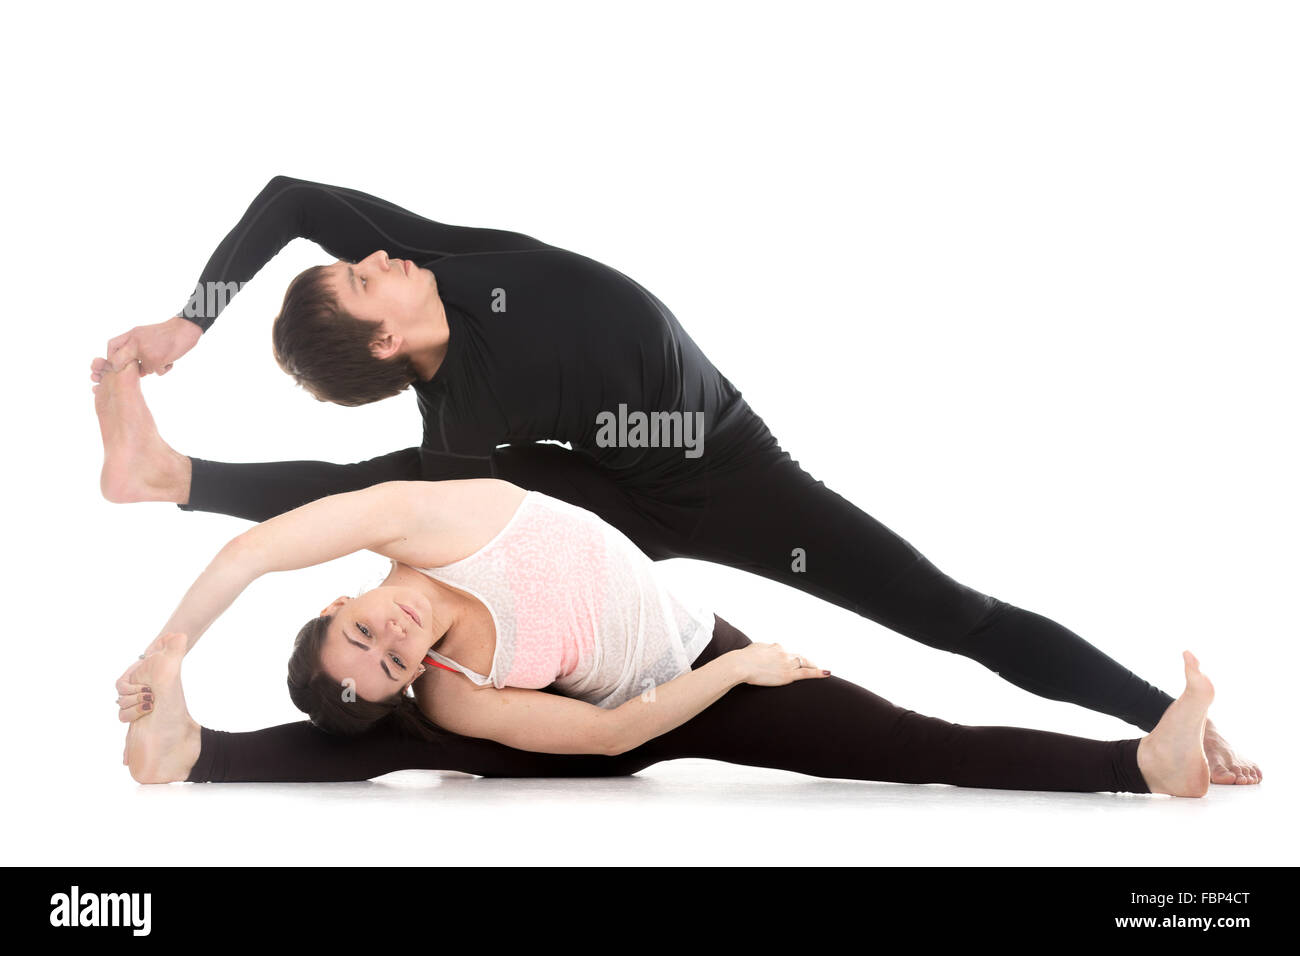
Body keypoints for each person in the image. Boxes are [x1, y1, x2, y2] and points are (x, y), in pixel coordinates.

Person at [92, 175, 1259, 784]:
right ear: (386, 343)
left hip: (733, 478)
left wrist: (191, 321)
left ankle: (1157, 722)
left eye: (355, 264)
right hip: (606, 502)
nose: (374, 255)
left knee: (951, 610)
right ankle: (172, 497)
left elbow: (292, 197)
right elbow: (348, 500)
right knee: (450, 688)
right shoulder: (462, 420)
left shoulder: (441, 260)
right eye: (362, 281)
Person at [103, 368, 1213, 797]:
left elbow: (251, 547)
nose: (389, 633)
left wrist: (168, 649)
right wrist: (747, 668)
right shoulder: (439, 683)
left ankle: (190, 744)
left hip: (686, 643)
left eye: (363, 630)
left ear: (339, 597)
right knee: (924, 751)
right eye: (387, 657)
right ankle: (1141, 763)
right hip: (657, 700)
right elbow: (606, 739)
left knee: (416, 734)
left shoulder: (414, 517)